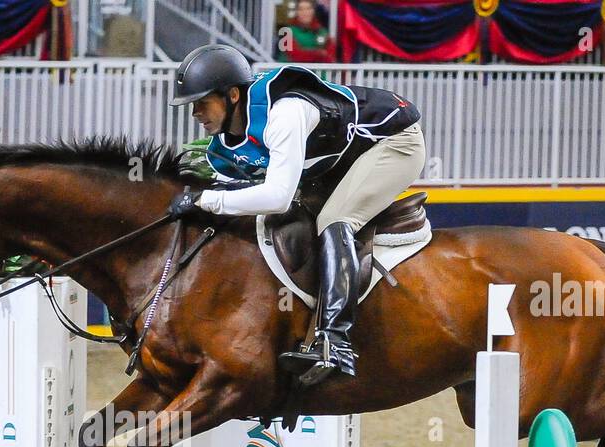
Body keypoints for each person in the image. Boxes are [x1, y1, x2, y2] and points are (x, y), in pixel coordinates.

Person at [167, 44, 424, 383]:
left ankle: (335, 340)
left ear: (231, 95)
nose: (195, 113)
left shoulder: (285, 115)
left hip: (392, 143)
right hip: (342, 157)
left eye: (202, 103)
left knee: (334, 221)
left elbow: (276, 197)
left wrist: (207, 201)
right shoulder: (226, 142)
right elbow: (230, 188)